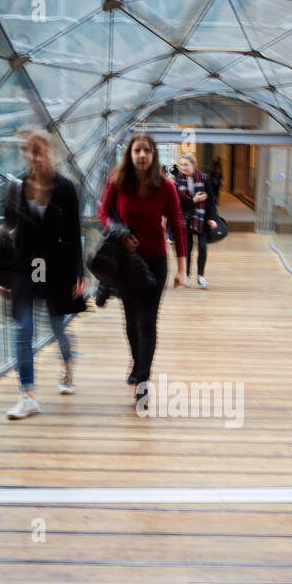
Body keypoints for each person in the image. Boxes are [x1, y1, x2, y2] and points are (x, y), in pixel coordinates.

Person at [0, 126, 87, 420]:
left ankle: (67, 366)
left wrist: (79, 273)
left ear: (50, 153)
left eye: (39, 151)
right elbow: (6, 232)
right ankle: (28, 395)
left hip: (55, 269)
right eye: (28, 151)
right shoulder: (16, 188)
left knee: (57, 325)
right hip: (24, 268)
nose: (33, 157)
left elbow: (74, 234)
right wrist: (3, 275)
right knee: (24, 330)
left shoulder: (66, 189)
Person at [97, 133, 188, 409]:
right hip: (126, 261)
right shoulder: (118, 180)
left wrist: (182, 268)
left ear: (153, 155)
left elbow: (177, 223)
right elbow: (104, 212)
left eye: (147, 150)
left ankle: (143, 382)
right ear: (130, 154)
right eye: (137, 150)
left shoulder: (165, 186)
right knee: (130, 321)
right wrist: (118, 233)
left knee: (147, 322)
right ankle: (137, 364)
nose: (142, 155)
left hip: (155, 261)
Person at [174, 153, 217, 288]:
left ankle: (200, 276)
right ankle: (186, 275)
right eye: (181, 165)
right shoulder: (178, 180)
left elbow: (211, 201)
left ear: (193, 165)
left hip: (201, 218)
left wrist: (212, 218)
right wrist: (193, 200)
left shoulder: (204, 178)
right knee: (188, 249)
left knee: (203, 247)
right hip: (186, 219)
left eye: (186, 164)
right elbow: (178, 204)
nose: (183, 167)